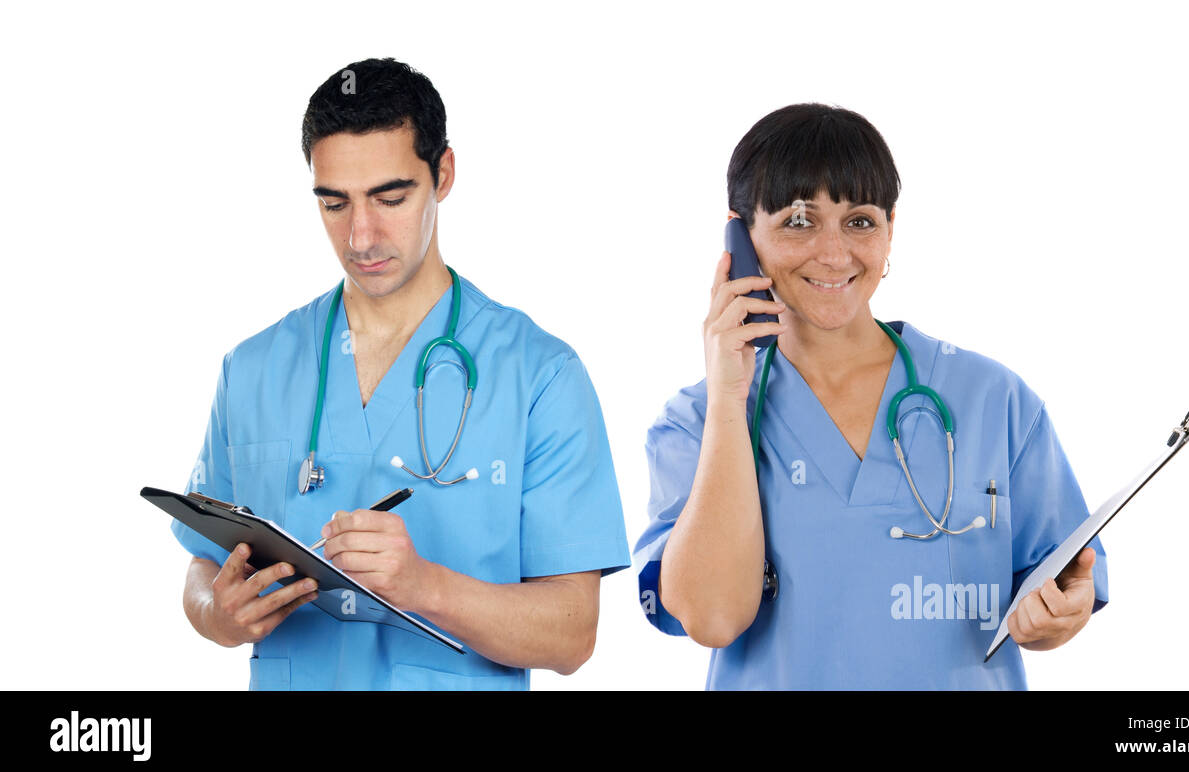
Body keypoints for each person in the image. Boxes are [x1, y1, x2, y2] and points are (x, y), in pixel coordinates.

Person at [171, 58, 630, 690]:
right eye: (334, 203)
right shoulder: (251, 370)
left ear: (442, 174)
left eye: (390, 198)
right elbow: (202, 563)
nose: (361, 235)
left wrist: (425, 586)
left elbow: (573, 634)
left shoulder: (540, 376)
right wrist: (216, 615)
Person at [633, 103, 1109, 689]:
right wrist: (732, 401)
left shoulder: (994, 399)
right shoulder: (697, 422)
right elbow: (711, 617)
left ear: (889, 230)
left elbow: (1065, 581)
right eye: (798, 221)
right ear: (741, 236)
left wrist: (1058, 618)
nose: (834, 254)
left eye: (859, 221)